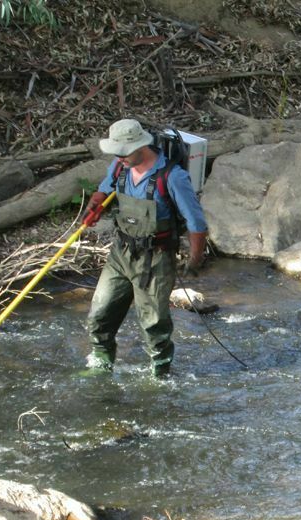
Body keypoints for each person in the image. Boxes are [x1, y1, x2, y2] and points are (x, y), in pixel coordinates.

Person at [81, 118, 208, 377]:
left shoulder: (173, 176)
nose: (120, 157)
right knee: (99, 314)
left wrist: (195, 260)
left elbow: (197, 224)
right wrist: (95, 205)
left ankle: (160, 375)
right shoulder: (120, 166)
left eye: (124, 152)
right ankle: (101, 365)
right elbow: (103, 191)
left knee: (153, 324)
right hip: (121, 253)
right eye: (117, 152)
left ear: (142, 146)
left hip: (156, 258)